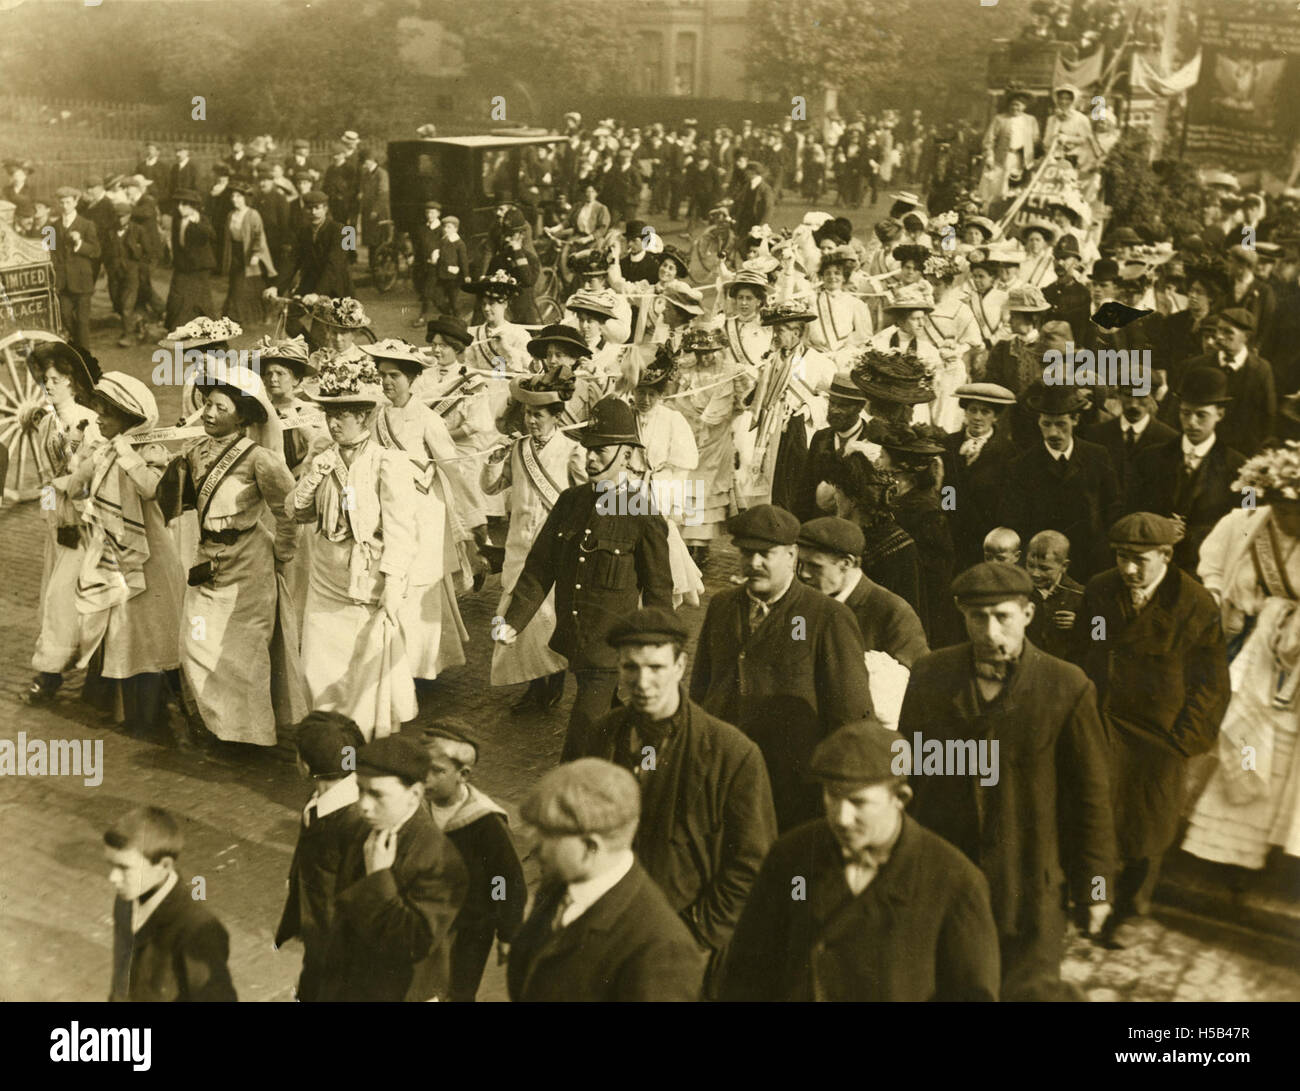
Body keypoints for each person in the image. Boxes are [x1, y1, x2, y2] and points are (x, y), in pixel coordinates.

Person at [901, 562, 1116, 1000]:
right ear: (962, 617)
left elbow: (1090, 797)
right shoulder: (930, 676)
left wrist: (1095, 888)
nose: (990, 630)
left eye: (1002, 616)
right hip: (947, 874)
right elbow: (909, 777)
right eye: (977, 617)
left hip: (1029, 883)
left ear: (1028, 615)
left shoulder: (1066, 686)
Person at [721, 719, 1001, 1001]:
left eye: (859, 803)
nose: (842, 818)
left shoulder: (953, 880)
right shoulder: (792, 858)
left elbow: (973, 995)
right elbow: (746, 974)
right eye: (832, 797)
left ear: (900, 798)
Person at [578, 608, 777, 992]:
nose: (642, 682)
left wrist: (695, 935)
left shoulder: (730, 754)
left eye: (655, 667)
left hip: (687, 950)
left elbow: (751, 864)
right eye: (630, 668)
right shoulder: (602, 737)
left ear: (680, 665)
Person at [494, 396, 674, 760]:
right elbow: (541, 566)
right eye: (588, 449)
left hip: (611, 648)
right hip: (574, 639)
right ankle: (633, 774)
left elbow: (658, 592)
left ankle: (571, 797)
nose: (590, 458)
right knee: (610, 715)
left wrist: (661, 651)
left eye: (601, 450)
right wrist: (514, 622)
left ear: (626, 454)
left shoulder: (641, 511)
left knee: (585, 729)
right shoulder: (571, 502)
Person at [1077, 514, 1229, 941]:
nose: (1129, 569)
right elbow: (1089, 647)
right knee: (1098, 814)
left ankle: (1129, 909)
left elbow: (1211, 683)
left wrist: (1181, 742)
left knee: (1147, 825)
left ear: (1166, 555)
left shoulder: (1195, 604)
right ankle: (1094, 901)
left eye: (1140, 560)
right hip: (1105, 719)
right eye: (1122, 557)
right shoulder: (1101, 589)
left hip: (1160, 734)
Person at [690, 504, 874, 830]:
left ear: (792, 555)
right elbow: (702, 689)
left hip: (791, 785)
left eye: (765, 554)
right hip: (723, 772)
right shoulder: (722, 606)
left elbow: (851, 713)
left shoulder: (827, 616)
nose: (754, 563)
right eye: (747, 553)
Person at [159, 364, 305, 749]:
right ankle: (218, 721)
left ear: (242, 416)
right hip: (208, 559)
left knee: (244, 653)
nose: (208, 413)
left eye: (220, 408)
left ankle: (250, 735)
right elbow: (177, 500)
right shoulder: (193, 453)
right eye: (207, 404)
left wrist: (282, 553)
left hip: (249, 563)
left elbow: (287, 510)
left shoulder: (261, 460)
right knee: (196, 643)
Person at [289, 353, 419, 741]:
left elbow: (400, 530)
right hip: (325, 572)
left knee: (360, 665)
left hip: (366, 574)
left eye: (342, 416)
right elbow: (296, 513)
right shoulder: (321, 457)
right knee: (318, 662)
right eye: (329, 415)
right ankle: (328, 737)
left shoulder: (386, 462)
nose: (332, 423)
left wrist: (393, 585)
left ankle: (358, 739)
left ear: (363, 418)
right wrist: (313, 475)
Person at [1184, 445, 1300, 872]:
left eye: (1295, 510)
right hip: (1249, 647)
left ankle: (1273, 846)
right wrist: (1218, 596)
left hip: (1293, 661)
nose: (1288, 519)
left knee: (1285, 750)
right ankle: (1219, 847)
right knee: (1237, 730)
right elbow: (1213, 564)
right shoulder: (1247, 524)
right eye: (1282, 509)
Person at [507, 759, 705, 1001]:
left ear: (591, 846)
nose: (533, 846)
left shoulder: (660, 950)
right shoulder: (559, 886)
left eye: (546, 834)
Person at [62, 373, 185, 742]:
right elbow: (73, 488)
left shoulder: (151, 452)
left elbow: (152, 490)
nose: (98, 417)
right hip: (114, 555)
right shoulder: (104, 448)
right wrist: (82, 453)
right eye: (99, 410)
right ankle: (130, 711)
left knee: (149, 635)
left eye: (107, 413)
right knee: (122, 633)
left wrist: (128, 456)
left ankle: (153, 715)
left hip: (151, 559)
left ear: (128, 417)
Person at [318, 736, 469, 1002]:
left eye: (377, 794)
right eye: (360, 790)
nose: (363, 804)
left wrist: (379, 879)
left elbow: (413, 944)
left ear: (414, 795)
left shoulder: (441, 859)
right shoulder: (361, 830)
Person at [365, 336, 473, 683]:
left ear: (412, 380)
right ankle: (397, 661)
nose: (386, 382)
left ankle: (422, 664)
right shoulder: (374, 417)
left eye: (394, 375)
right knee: (395, 581)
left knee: (420, 586)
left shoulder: (427, 418)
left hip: (424, 512)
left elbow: (452, 467)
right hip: (388, 512)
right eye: (382, 374)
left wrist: (472, 522)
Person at [482, 368, 585, 713]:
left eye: (538, 415)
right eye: (527, 413)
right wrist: (492, 463)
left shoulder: (571, 451)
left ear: (556, 416)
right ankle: (533, 684)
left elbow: (587, 497)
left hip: (555, 549)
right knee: (519, 619)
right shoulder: (517, 449)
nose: (530, 421)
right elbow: (492, 488)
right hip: (519, 548)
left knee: (546, 619)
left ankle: (552, 681)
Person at [419, 721, 526, 1003]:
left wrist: (505, 929)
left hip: (470, 927)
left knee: (457, 992)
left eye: (438, 771)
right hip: (423, 920)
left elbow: (504, 878)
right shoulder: (417, 807)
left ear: (463, 774)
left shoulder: (485, 822)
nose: (425, 779)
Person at [21, 342, 103, 708]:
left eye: (55, 379)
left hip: (87, 523)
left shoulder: (87, 421)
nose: (48, 385)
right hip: (60, 523)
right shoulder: (48, 423)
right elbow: (46, 476)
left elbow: (93, 475)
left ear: (71, 381)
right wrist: (50, 515)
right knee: (56, 594)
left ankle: (50, 674)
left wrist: (76, 516)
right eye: (45, 380)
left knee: (63, 597)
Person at [796, 515, 928, 730]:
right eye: (800, 564)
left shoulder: (891, 611)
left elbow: (919, 684)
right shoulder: (805, 603)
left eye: (815, 566)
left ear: (846, 563)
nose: (803, 574)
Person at [274, 711, 367, 1002]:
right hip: (319, 938)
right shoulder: (320, 802)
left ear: (303, 764)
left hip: (341, 953)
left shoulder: (355, 822)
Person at [105, 806, 237, 1002]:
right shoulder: (125, 901)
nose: (113, 877)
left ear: (164, 866)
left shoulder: (196, 930)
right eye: (111, 865)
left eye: (124, 868)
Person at [1129, 366, 1246, 573]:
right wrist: (1159, 528)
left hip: (1208, 570)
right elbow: (1130, 508)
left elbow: (1247, 525)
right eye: (1185, 413)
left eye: (1201, 415)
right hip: (1152, 569)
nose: (1191, 423)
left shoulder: (1241, 468)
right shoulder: (1149, 458)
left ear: (1220, 414)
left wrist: (1190, 536)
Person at [1003, 383, 1122, 581]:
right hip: (1042, 567)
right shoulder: (1021, 466)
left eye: (1061, 424)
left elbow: (1114, 505)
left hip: (1091, 561)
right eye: (1046, 424)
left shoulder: (1097, 456)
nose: (1053, 433)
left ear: (1075, 420)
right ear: (1038, 422)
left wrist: (1104, 547)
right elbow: (1014, 519)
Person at [739, 300, 836, 511]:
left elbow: (831, 398)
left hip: (800, 429)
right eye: (775, 330)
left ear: (797, 332)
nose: (775, 335)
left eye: (780, 330)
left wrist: (809, 408)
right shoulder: (771, 359)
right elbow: (758, 396)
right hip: (770, 428)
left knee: (792, 481)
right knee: (768, 479)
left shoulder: (818, 362)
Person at [674, 326, 755, 562]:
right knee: (688, 489)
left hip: (717, 441)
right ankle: (686, 544)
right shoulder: (684, 372)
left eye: (710, 351)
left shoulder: (731, 372)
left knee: (708, 493)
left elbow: (745, 402)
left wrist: (727, 418)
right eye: (701, 353)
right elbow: (671, 400)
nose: (706, 357)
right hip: (688, 437)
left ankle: (701, 544)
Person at [874, 424, 954, 643]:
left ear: (900, 466)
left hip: (918, 597)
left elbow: (937, 569)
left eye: (882, 456)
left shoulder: (927, 511)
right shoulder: (897, 498)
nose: (878, 462)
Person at [823, 451, 922, 614]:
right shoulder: (847, 537)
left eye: (838, 490)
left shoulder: (891, 545)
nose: (835, 497)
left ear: (853, 500)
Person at [940, 382, 1019, 569]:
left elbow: (1006, 499)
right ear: (965, 412)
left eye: (985, 412)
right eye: (972, 410)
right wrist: (948, 514)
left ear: (996, 417)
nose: (977, 417)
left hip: (986, 536)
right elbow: (947, 487)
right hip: (953, 531)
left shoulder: (1009, 452)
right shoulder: (949, 444)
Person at [793, 371, 872, 523]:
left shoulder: (872, 441)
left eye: (843, 406)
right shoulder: (821, 438)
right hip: (819, 528)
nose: (834, 410)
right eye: (832, 403)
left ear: (859, 407)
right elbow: (805, 491)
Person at [271, 191, 354, 303]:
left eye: (317, 208)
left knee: (322, 319)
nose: (313, 212)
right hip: (310, 284)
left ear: (325, 209)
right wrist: (276, 287)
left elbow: (334, 265)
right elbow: (292, 261)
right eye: (309, 208)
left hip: (336, 287)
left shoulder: (343, 231)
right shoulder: (303, 232)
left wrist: (318, 293)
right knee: (289, 314)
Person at [50, 187, 101, 350]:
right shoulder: (53, 226)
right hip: (63, 281)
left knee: (83, 320)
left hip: (82, 280)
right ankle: (77, 344)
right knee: (65, 315)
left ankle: (85, 354)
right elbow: (50, 252)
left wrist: (79, 243)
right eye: (62, 202)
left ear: (76, 202)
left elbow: (96, 251)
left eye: (68, 202)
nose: (65, 206)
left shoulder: (87, 225)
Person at [220, 179, 275, 326]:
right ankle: (236, 316)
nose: (234, 200)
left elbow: (259, 235)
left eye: (238, 196)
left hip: (250, 253)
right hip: (236, 253)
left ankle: (247, 315)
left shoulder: (253, 214)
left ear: (245, 198)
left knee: (250, 284)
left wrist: (256, 254)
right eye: (233, 197)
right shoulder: (230, 215)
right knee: (237, 284)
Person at [1023, 529, 1084, 663]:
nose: (1035, 574)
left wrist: (1081, 624)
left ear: (1064, 566)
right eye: (1030, 565)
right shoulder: (1019, 592)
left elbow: (1102, 635)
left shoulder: (1082, 595)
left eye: (1044, 568)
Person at [166, 188, 217, 330]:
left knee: (201, 299)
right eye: (179, 204)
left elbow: (211, 235)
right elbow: (177, 244)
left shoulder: (201, 219)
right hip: (183, 265)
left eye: (184, 204)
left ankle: (213, 331)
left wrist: (197, 224)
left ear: (193, 206)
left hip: (200, 267)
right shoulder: (177, 218)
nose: (180, 207)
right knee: (176, 295)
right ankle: (176, 327)